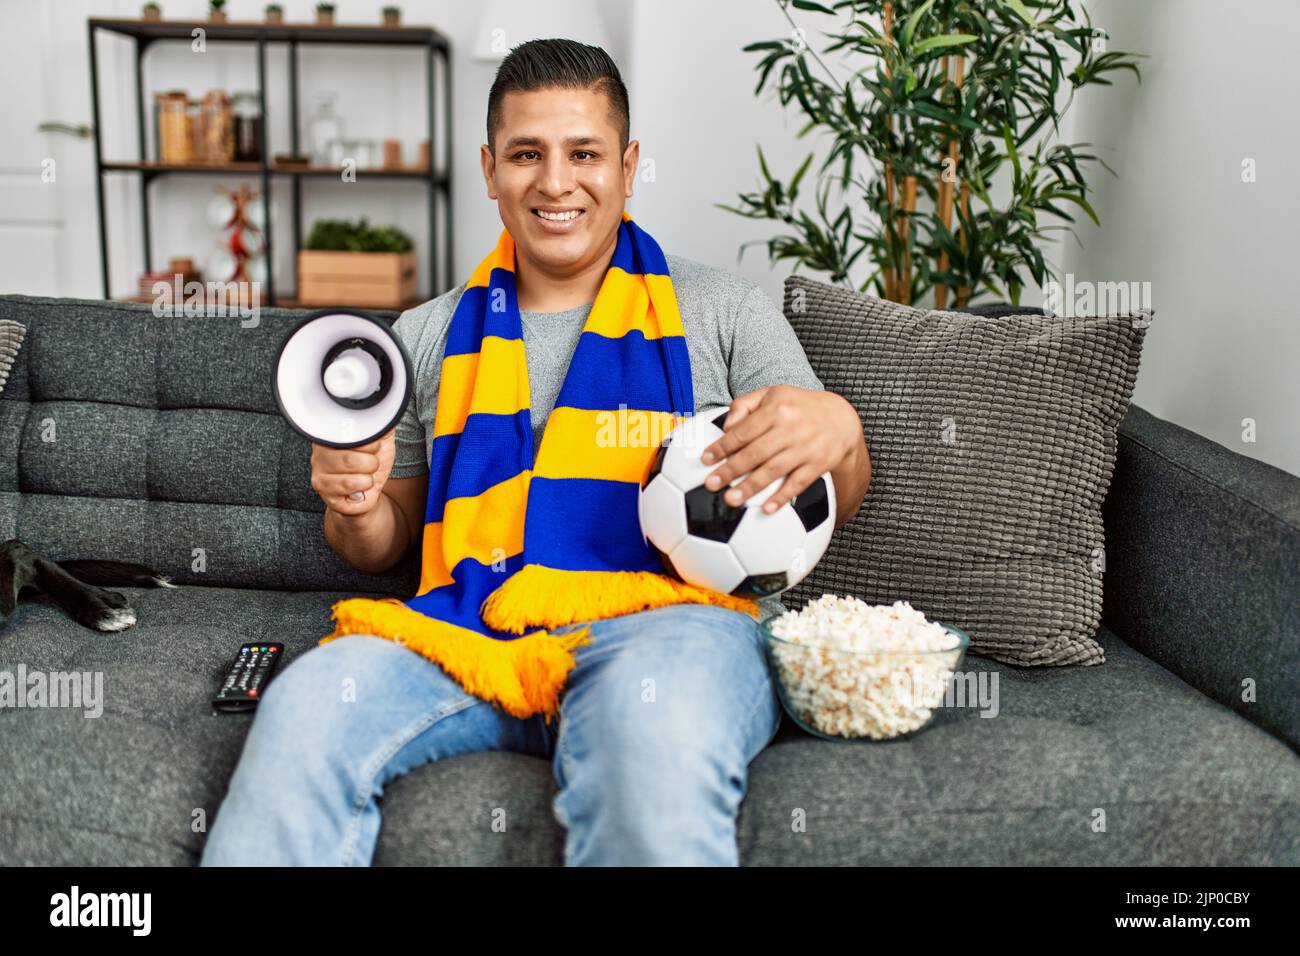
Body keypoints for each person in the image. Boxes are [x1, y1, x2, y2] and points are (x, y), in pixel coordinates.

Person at [202, 37, 871, 867]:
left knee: (650, 744)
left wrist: (838, 427)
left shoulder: (725, 310)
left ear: (628, 166)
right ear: (490, 169)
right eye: (527, 154)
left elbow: (840, 482)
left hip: (669, 630)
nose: (555, 183)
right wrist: (356, 504)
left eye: (584, 153)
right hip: (466, 627)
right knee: (304, 705)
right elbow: (382, 547)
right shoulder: (426, 334)